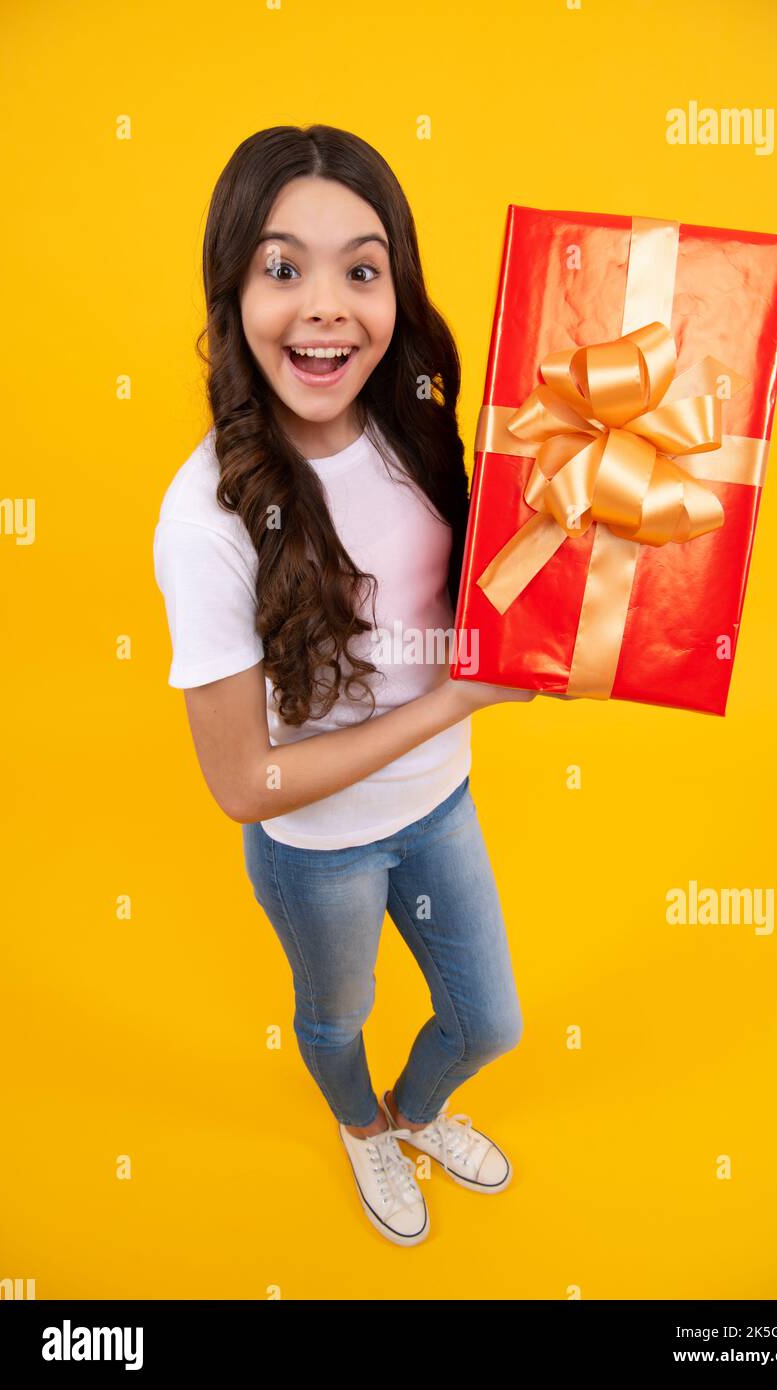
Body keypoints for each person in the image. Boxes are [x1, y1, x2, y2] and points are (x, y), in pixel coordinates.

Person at [153, 124, 559, 1248]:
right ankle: (359, 1126)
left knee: (487, 1022)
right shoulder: (204, 521)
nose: (326, 305)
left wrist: (569, 599)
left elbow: (477, 588)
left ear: (395, 286)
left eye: (361, 268)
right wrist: (457, 702)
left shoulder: (416, 419)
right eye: (283, 268)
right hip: (316, 847)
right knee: (338, 1016)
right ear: (232, 287)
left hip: (439, 804)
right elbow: (245, 783)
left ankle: (412, 1111)